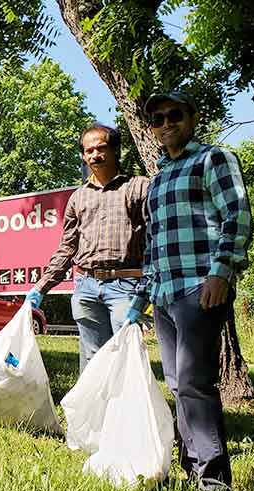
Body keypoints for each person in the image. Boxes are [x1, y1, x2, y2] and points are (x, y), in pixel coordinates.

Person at [126, 92, 252, 491]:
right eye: (157, 119)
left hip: (200, 289)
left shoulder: (213, 159)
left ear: (193, 117)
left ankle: (213, 482)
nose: (166, 124)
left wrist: (222, 271)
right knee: (178, 383)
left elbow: (237, 214)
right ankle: (191, 470)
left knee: (196, 383)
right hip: (164, 295)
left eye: (174, 115)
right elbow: (154, 244)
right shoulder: (158, 178)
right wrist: (139, 298)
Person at [26, 123, 149, 372]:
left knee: (127, 361)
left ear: (116, 150)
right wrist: (40, 288)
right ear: (83, 155)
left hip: (126, 287)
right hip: (86, 287)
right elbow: (67, 248)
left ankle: (124, 411)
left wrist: (145, 293)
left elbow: (157, 241)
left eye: (101, 148)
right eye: (88, 150)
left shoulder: (139, 187)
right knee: (92, 362)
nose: (95, 155)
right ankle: (91, 412)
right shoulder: (78, 197)